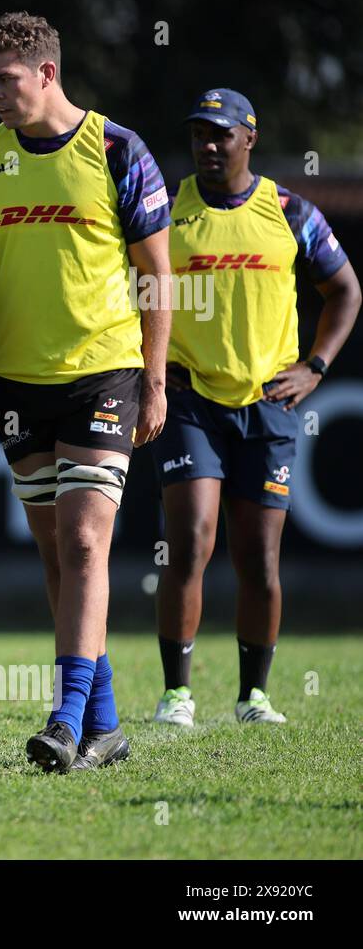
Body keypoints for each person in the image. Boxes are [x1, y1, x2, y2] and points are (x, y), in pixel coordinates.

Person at [0, 12, 173, 772]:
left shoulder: (117, 149)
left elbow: (157, 273)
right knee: (54, 552)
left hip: (103, 371)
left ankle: (66, 717)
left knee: (84, 542)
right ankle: (106, 725)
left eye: (5, 79)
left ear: (46, 72)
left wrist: (154, 375)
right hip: (16, 377)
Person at [153, 88, 359, 726]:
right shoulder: (167, 209)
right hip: (191, 399)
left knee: (259, 556)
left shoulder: (289, 210)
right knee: (189, 541)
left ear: (250, 138)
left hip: (268, 403)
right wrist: (151, 370)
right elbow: (134, 286)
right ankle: (176, 694)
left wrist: (315, 367)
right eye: (198, 135)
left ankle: (253, 696)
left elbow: (345, 290)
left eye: (221, 135)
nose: (208, 146)